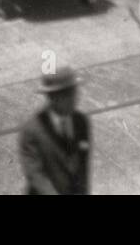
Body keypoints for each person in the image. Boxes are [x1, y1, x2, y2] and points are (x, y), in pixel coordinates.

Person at [19, 64, 91, 195]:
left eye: (74, 92)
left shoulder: (81, 122)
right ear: (53, 98)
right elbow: (36, 175)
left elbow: (83, 171)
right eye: (68, 95)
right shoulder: (32, 131)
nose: (74, 99)